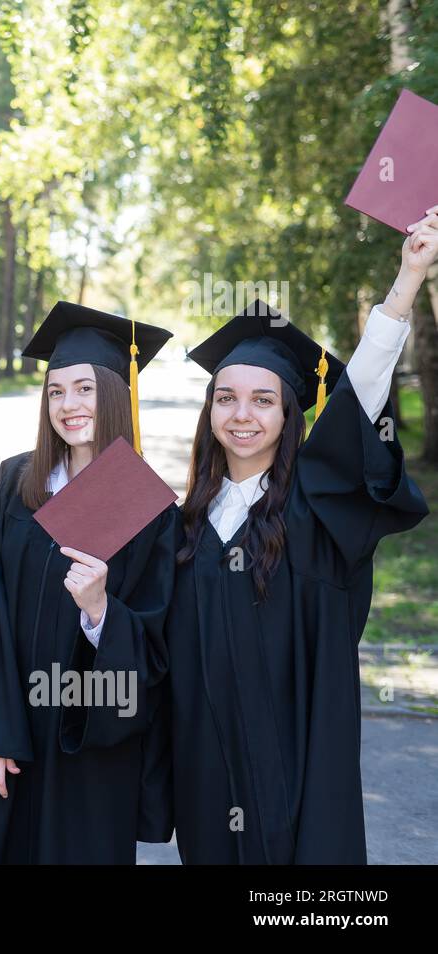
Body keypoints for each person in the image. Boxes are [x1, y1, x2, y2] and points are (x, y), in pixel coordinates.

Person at [164, 209, 435, 864]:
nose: (242, 415)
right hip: (207, 774)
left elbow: (361, 393)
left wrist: (409, 277)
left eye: (264, 400)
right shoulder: (187, 525)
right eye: (226, 399)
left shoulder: (315, 512)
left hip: (296, 766)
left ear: (291, 413)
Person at [0, 302, 178, 864]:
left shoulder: (145, 502)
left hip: (86, 740)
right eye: (56, 391)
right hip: (6, 731)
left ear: (114, 394)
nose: (69, 405)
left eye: (84, 388)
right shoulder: (17, 478)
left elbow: (158, 642)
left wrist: (99, 612)